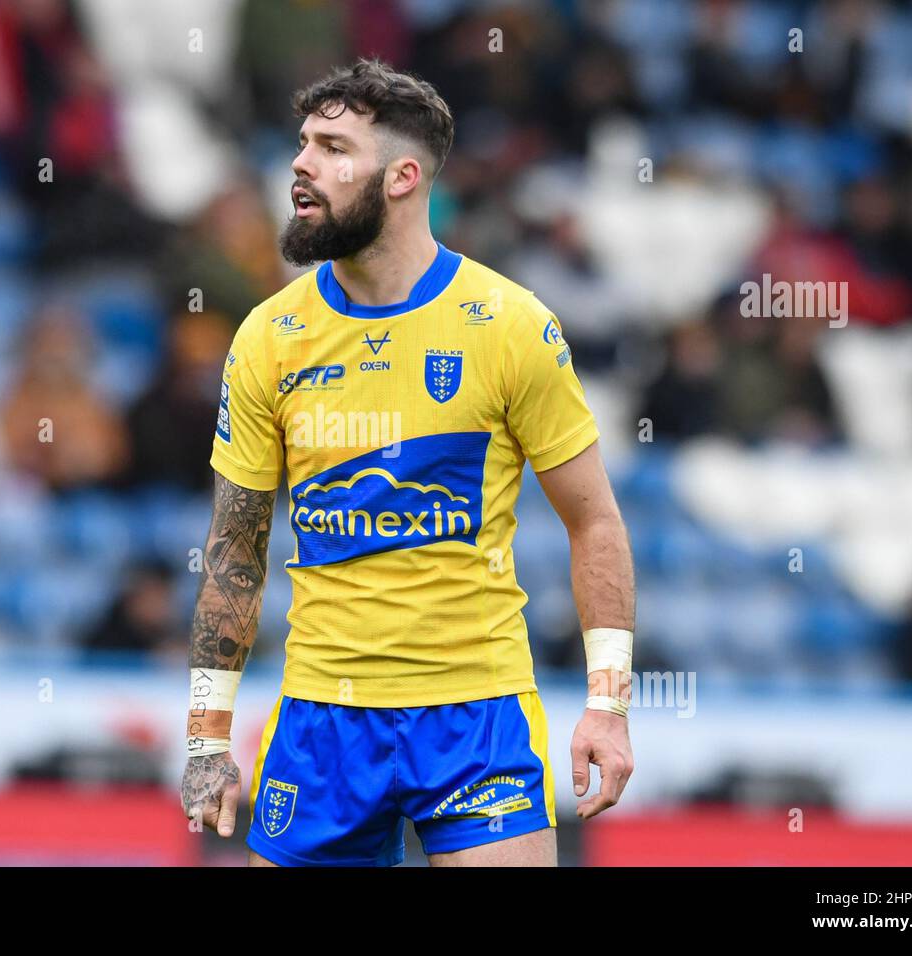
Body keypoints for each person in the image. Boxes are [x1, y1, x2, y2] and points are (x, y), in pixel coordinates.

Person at [179, 59, 636, 867]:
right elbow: (235, 549)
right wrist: (207, 736)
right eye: (302, 144)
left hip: (473, 714)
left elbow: (594, 517)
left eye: (332, 147)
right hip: (323, 720)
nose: (301, 164)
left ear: (403, 176)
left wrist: (607, 703)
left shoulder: (507, 325)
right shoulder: (267, 338)